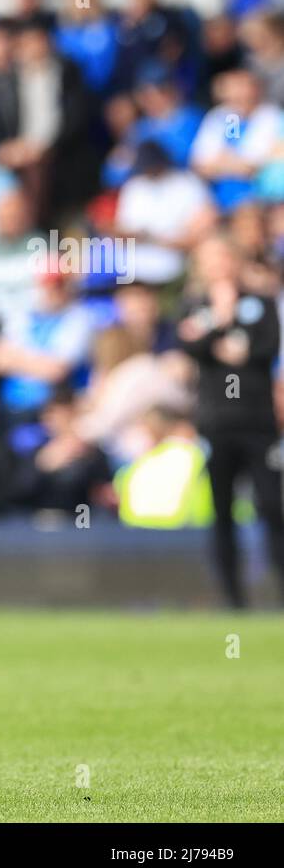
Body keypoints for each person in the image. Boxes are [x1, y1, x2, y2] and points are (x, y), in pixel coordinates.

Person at [177, 236, 284, 608]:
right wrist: (221, 321)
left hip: (257, 421)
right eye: (212, 259)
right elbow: (192, 346)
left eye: (225, 256)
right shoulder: (194, 305)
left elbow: (264, 349)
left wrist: (228, 342)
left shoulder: (261, 301)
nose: (220, 265)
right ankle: (232, 599)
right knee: (222, 510)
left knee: (272, 505)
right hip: (216, 422)